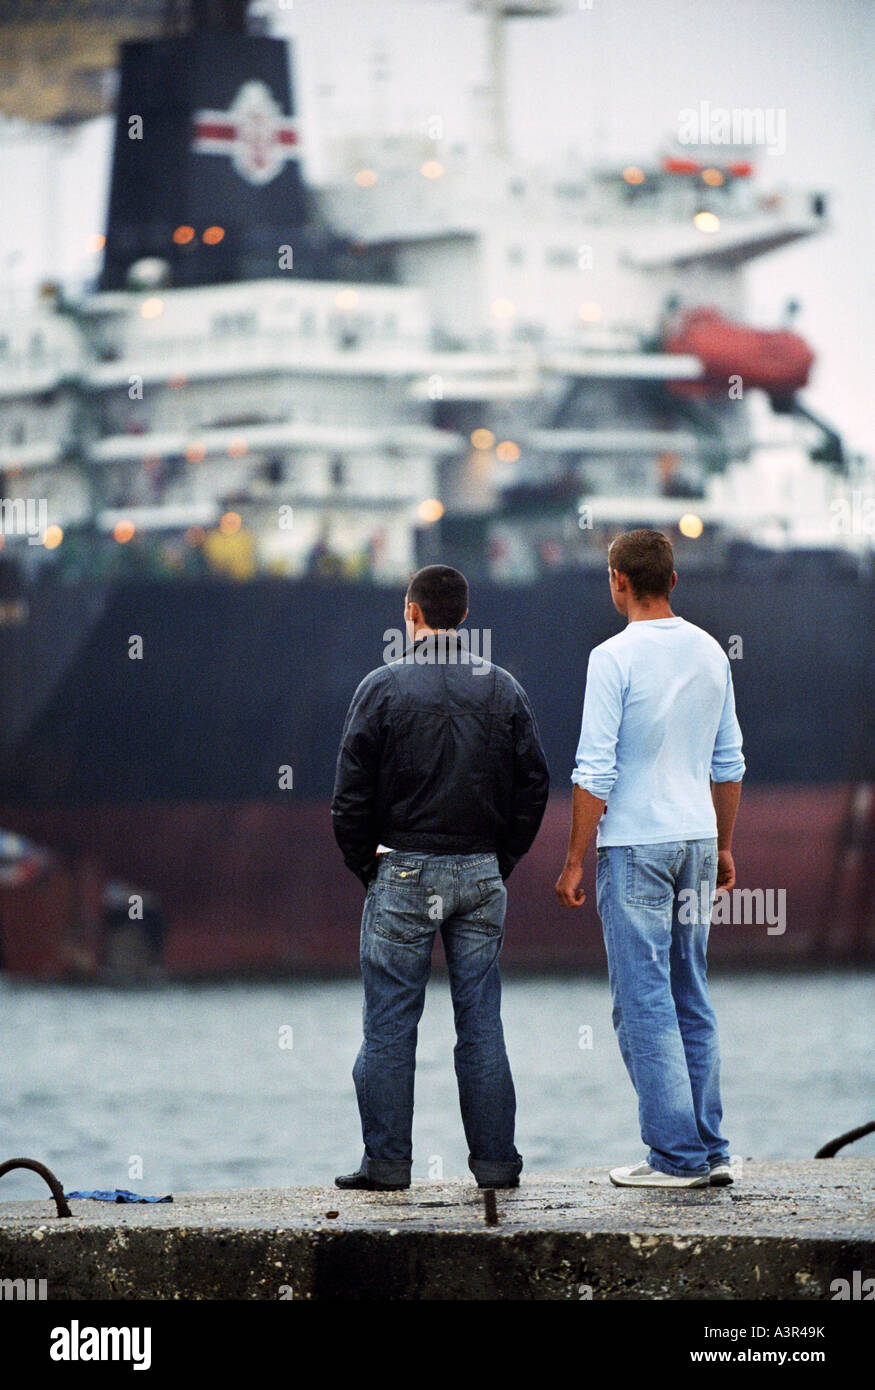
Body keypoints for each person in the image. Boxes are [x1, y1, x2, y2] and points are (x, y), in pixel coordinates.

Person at [331, 564, 549, 1191]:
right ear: (465, 615)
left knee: (390, 1026)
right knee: (480, 1023)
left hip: (401, 869)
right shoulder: (503, 687)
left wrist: (367, 868)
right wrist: (499, 861)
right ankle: (497, 1167)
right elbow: (533, 785)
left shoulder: (382, 686)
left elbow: (349, 797)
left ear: (411, 613)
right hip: (481, 871)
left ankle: (388, 1165)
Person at [555, 530, 745, 1189]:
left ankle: (675, 1159)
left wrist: (574, 860)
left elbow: (593, 771)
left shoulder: (611, 658)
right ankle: (710, 1149)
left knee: (642, 998)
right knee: (688, 990)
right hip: (695, 839)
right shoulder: (709, 652)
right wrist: (721, 844)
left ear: (617, 581)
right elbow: (728, 762)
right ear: (672, 580)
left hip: (635, 845)